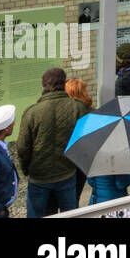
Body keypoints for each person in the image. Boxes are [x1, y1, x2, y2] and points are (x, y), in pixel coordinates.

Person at [17, 67, 87, 217]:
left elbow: (23, 148)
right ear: (64, 83)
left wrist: (26, 170)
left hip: (39, 176)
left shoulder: (32, 112)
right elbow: (84, 139)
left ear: (43, 85)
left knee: (35, 214)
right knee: (70, 214)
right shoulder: (77, 107)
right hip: (67, 172)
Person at [63, 78, 93, 204]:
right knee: (74, 199)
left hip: (68, 163)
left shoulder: (65, 114)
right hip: (83, 163)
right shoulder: (92, 113)